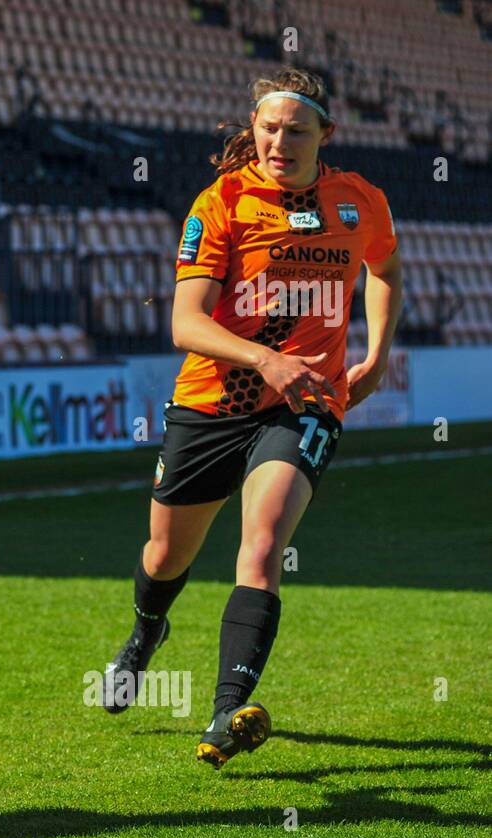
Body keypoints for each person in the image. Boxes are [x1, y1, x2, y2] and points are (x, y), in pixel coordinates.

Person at [101, 67, 402, 767]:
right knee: (164, 556)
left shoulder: (359, 202)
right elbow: (184, 323)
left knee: (263, 547)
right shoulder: (223, 202)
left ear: (326, 134)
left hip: (306, 403)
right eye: (268, 127)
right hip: (214, 402)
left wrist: (379, 355)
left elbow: (386, 269)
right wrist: (264, 360)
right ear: (252, 130)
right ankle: (148, 630)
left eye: (297, 130)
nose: (279, 141)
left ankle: (225, 713)